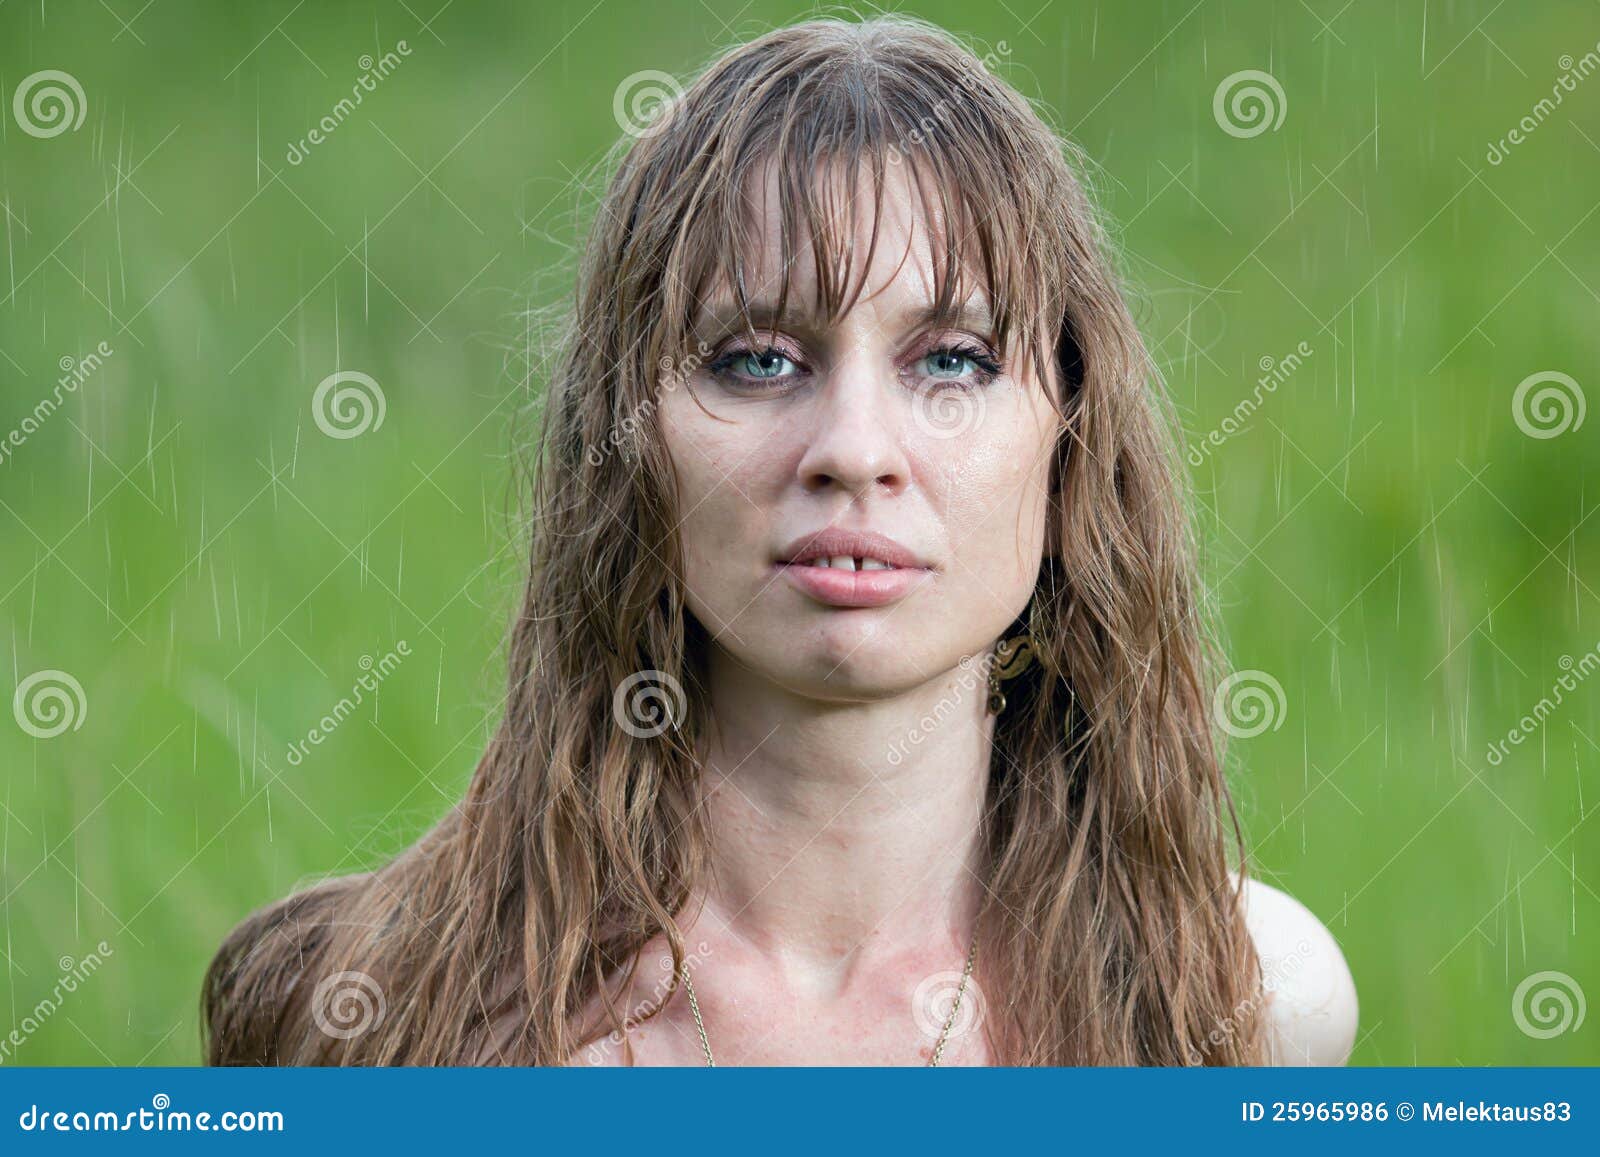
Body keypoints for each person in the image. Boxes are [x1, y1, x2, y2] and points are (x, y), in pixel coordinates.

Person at [203, 13, 1357, 1067]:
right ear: (628, 438)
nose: (854, 449)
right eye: (757, 358)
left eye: (950, 358)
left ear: (1070, 428)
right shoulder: (385, 1012)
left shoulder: (1245, 999)